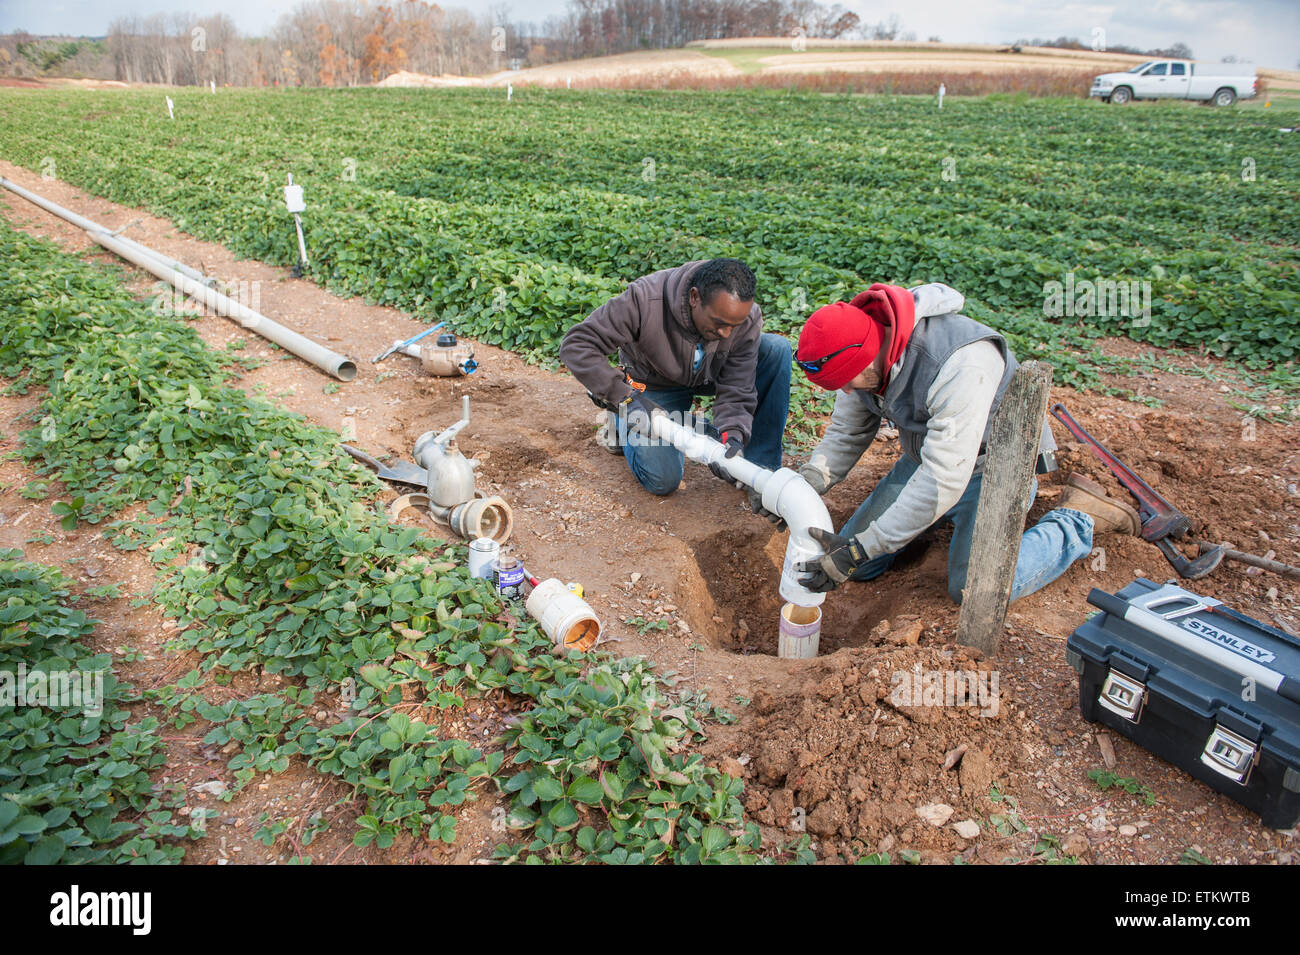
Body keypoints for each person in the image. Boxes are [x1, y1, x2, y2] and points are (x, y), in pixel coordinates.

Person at [792, 282, 1141, 602]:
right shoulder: (856, 357)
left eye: (848, 380)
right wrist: (807, 484)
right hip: (927, 459)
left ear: (868, 351)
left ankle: (1077, 519)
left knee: (974, 588)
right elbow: (846, 431)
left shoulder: (959, 363)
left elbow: (943, 477)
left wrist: (863, 547)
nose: (848, 390)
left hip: (993, 468)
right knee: (860, 565)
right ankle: (930, 521)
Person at [559, 258, 791, 508]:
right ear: (694, 298)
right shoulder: (645, 299)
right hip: (655, 383)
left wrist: (732, 435)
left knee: (775, 349)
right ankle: (619, 418)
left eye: (733, 326)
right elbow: (577, 344)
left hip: (710, 373)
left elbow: (738, 386)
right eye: (719, 323)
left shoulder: (743, 319)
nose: (726, 333)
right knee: (662, 479)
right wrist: (625, 398)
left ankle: (758, 468)